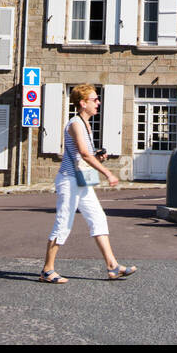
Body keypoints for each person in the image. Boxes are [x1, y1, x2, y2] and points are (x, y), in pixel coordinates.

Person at [39, 84, 137, 284]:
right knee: (63, 223)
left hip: (81, 180)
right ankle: (47, 270)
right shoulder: (75, 123)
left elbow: (83, 157)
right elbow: (83, 153)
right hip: (69, 180)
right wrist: (107, 172)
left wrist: (98, 158)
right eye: (94, 100)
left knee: (98, 218)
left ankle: (113, 266)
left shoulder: (85, 124)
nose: (98, 103)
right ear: (83, 104)